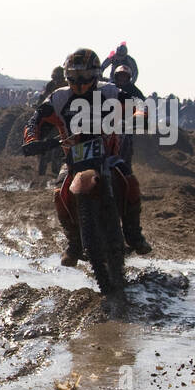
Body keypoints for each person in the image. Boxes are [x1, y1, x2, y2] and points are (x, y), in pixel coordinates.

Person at [23, 47, 151, 266]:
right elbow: (36, 119)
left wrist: (139, 116)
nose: (78, 80)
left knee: (129, 180)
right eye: (73, 76)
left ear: (94, 73)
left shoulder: (110, 91)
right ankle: (74, 242)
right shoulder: (59, 97)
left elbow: (137, 103)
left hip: (108, 153)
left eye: (82, 75)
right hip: (73, 157)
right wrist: (31, 140)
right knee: (59, 193)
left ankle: (133, 233)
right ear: (66, 76)